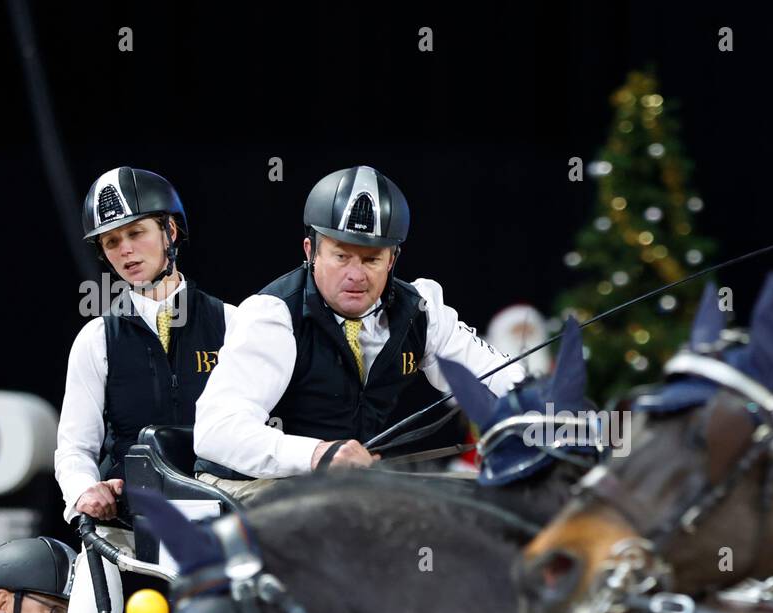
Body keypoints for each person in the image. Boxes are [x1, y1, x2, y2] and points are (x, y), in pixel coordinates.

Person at [193, 166, 525, 500]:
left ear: (392, 260)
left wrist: (543, 409)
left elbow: (497, 378)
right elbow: (216, 432)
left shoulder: (420, 313)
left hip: (340, 492)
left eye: (371, 260)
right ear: (310, 251)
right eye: (341, 256)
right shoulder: (274, 316)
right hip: (244, 488)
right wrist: (317, 455)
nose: (356, 275)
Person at [53, 167, 234, 613]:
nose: (126, 251)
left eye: (136, 233)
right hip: (130, 527)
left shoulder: (236, 325)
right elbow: (74, 448)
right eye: (112, 242)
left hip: (222, 518)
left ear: (170, 233)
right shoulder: (96, 339)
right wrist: (84, 492)